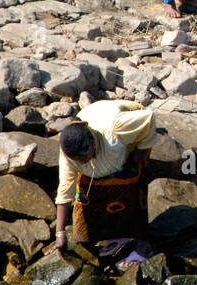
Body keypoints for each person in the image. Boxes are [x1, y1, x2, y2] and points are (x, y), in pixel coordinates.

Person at [53, 99, 157, 252]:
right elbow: (65, 189)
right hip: (105, 155)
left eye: (84, 156)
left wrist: (141, 150)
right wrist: (59, 233)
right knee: (85, 199)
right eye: (78, 160)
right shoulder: (69, 153)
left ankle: (140, 241)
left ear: (91, 141)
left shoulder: (115, 129)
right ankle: (109, 236)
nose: (82, 162)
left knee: (131, 184)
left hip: (128, 142)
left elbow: (148, 117)